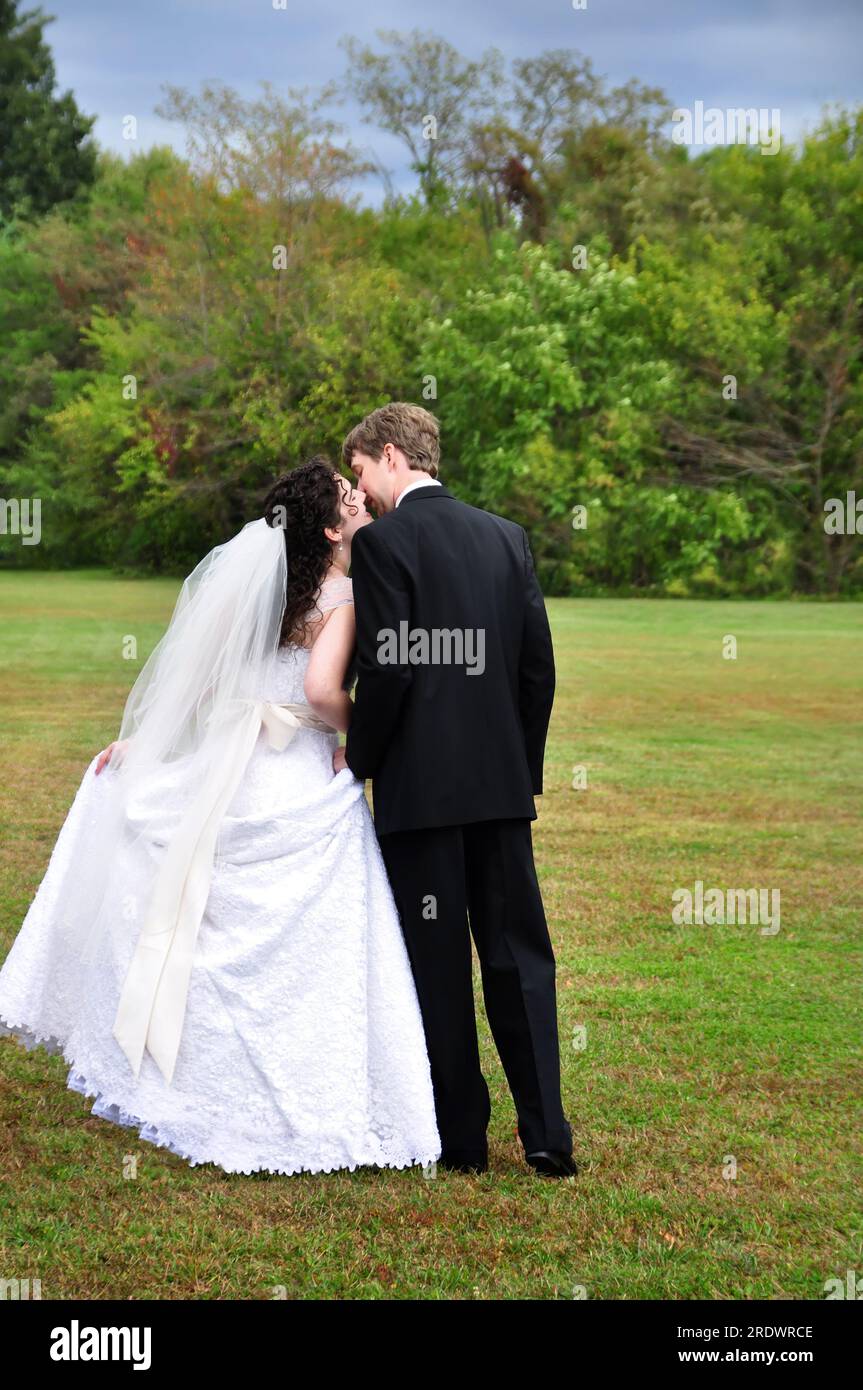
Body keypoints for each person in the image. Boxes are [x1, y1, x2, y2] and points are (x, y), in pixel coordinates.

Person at [0, 458, 440, 1177]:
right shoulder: (345, 594)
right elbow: (321, 689)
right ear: (331, 529)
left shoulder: (267, 588)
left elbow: (203, 679)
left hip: (224, 768)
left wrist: (149, 744)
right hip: (291, 762)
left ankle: (176, 1068)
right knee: (297, 935)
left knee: (195, 908)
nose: (360, 500)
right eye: (348, 498)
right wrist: (358, 736)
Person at [340, 403, 577, 1178]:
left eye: (362, 473)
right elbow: (536, 669)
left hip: (420, 797)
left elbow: (390, 668)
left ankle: (463, 1143)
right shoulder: (505, 537)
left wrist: (361, 757)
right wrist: (521, 770)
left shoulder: (383, 543)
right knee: (518, 961)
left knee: (438, 967)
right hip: (500, 793)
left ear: (388, 456)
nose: (363, 491)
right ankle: (546, 1136)